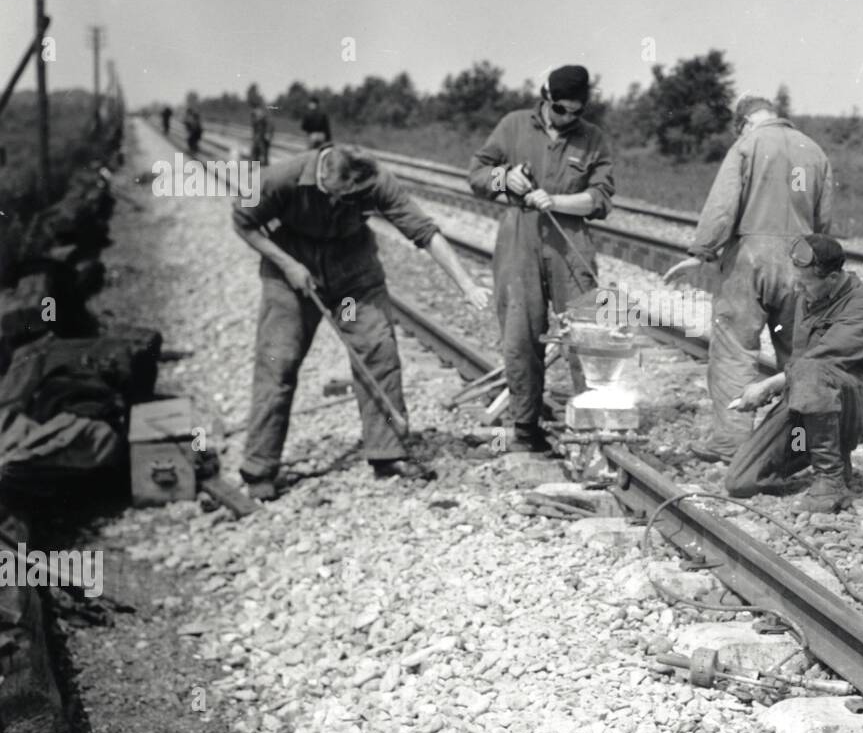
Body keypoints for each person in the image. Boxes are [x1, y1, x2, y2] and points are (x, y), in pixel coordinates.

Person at [231, 144, 489, 500]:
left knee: (377, 350)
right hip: (291, 273)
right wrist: (287, 264)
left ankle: (388, 454)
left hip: (353, 277)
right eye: (339, 198)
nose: (345, 204)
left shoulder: (375, 178)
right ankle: (258, 468)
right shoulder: (279, 179)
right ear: (322, 178)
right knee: (279, 361)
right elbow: (243, 220)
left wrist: (466, 283)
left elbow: (424, 231)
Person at [664, 95, 834, 464]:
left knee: (733, 351)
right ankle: (800, 446)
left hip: (749, 260)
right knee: (800, 356)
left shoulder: (747, 145)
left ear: (742, 122)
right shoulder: (814, 150)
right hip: (802, 261)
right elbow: (824, 221)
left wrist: (702, 251)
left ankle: (732, 444)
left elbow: (723, 206)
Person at [467, 65, 615, 452]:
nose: (568, 118)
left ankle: (594, 429)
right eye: (561, 109)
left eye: (576, 112)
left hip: (571, 240)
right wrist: (504, 177)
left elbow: (601, 198)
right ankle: (525, 424)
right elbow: (477, 173)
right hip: (519, 236)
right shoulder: (514, 125)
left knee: (585, 333)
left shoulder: (593, 138)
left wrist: (560, 201)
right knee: (520, 334)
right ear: (546, 100)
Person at [724, 234, 863, 514]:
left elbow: (820, 360)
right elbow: (799, 364)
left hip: (853, 403)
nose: (798, 289)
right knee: (742, 481)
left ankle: (831, 477)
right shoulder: (810, 297)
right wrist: (783, 391)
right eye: (796, 281)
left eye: (805, 283)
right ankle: (823, 452)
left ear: (833, 279)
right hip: (813, 397)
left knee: (812, 372)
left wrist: (767, 386)